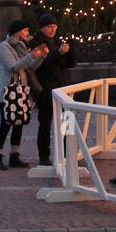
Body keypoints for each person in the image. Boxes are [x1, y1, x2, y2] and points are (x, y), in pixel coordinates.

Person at [0, 20, 47, 170]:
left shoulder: (20, 46)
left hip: (21, 91)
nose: (28, 33)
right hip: (8, 92)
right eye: (25, 30)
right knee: (6, 123)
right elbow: (14, 67)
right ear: (17, 32)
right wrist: (31, 55)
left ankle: (14, 156)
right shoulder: (4, 47)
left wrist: (40, 56)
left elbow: (29, 67)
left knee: (19, 123)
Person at [30, 13, 76, 166]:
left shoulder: (56, 41)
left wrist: (71, 51)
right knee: (45, 124)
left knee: (67, 120)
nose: (53, 29)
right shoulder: (36, 42)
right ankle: (44, 157)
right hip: (46, 88)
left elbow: (67, 64)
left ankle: (67, 152)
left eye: (55, 27)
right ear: (42, 27)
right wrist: (58, 53)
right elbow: (41, 62)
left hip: (62, 87)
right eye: (50, 26)